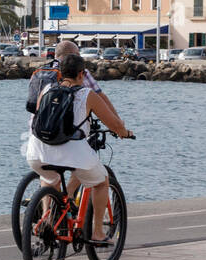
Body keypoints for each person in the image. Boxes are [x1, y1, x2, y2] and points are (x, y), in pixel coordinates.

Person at [26, 53, 133, 242]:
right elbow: (114, 124)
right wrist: (125, 133)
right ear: (81, 74)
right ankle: (98, 232)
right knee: (101, 182)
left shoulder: (47, 89)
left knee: (49, 178)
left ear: (60, 74)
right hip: (72, 153)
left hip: (37, 151)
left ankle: (48, 219)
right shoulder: (87, 94)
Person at [24, 38, 124, 206]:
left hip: (39, 132)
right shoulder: (79, 72)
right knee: (83, 159)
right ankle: (69, 196)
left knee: (49, 176)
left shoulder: (41, 72)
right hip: (66, 131)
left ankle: (48, 212)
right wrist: (119, 124)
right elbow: (100, 97)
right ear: (74, 57)